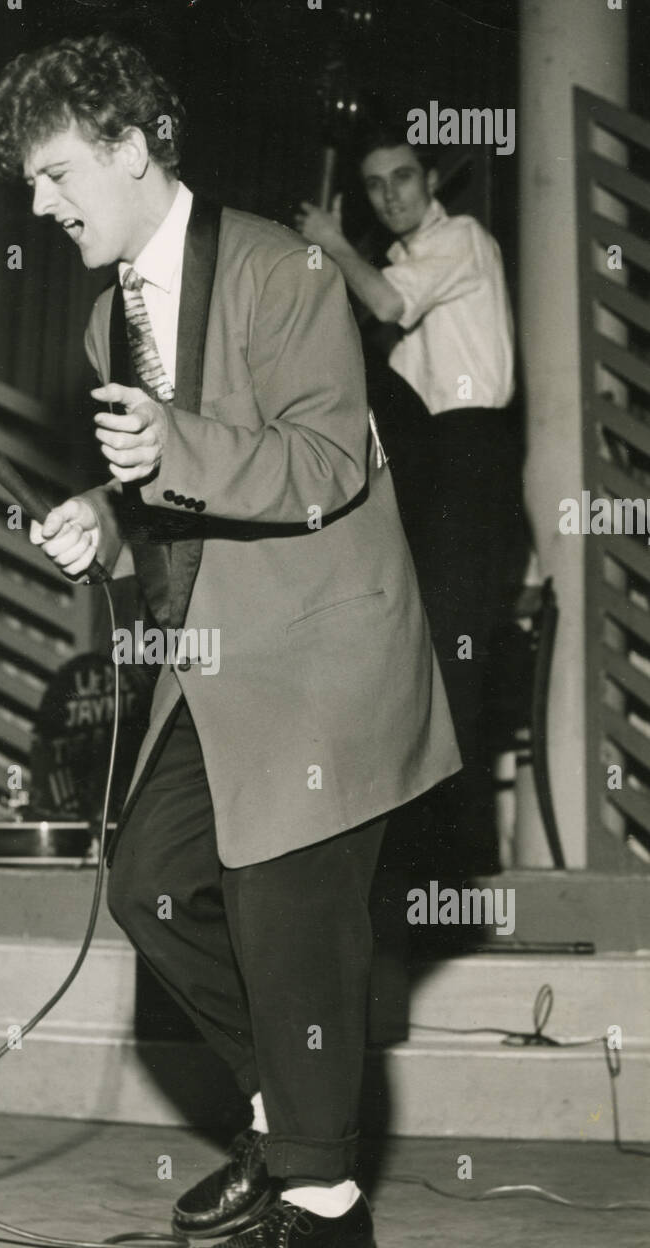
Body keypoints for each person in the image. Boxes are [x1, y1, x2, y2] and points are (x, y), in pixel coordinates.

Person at [0, 35, 459, 1248]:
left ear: (135, 149)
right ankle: (282, 1116)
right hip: (215, 658)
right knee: (148, 883)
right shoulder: (105, 317)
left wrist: (166, 454)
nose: (41, 203)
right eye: (30, 184)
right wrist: (97, 510)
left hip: (320, 649)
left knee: (285, 914)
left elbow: (325, 464)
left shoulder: (281, 265)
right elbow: (167, 479)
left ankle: (325, 1197)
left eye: (59, 173)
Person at [296, 127, 520, 878]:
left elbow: (389, 304)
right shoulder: (392, 261)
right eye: (375, 184)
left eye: (402, 177)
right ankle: (422, 858)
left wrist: (328, 240)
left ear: (430, 182)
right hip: (429, 465)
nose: (390, 195)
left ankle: (458, 867)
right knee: (419, 656)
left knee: (454, 654)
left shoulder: (460, 237)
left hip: (472, 454)